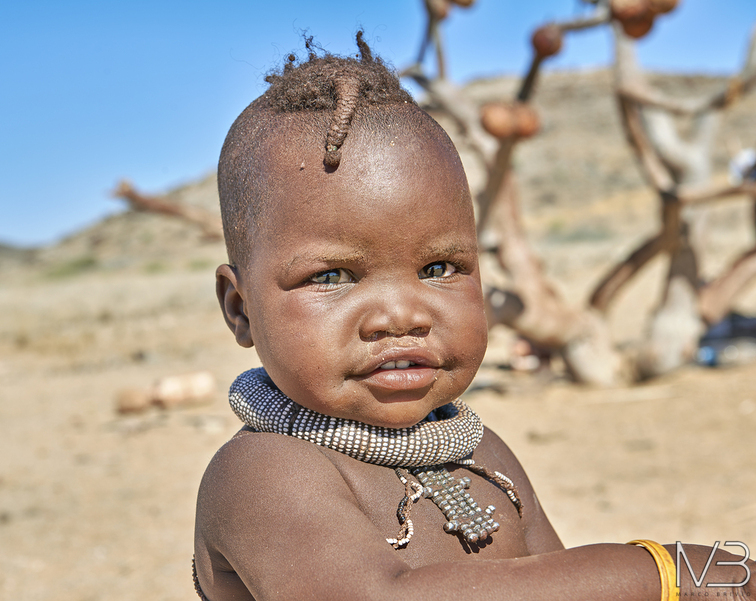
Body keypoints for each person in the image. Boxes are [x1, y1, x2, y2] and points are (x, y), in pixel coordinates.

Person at [193, 33, 754, 601]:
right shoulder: (263, 473)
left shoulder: (480, 450)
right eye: (331, 277)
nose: (401, 315)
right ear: (240, 309)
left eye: (439, 267)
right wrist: (660, 572)